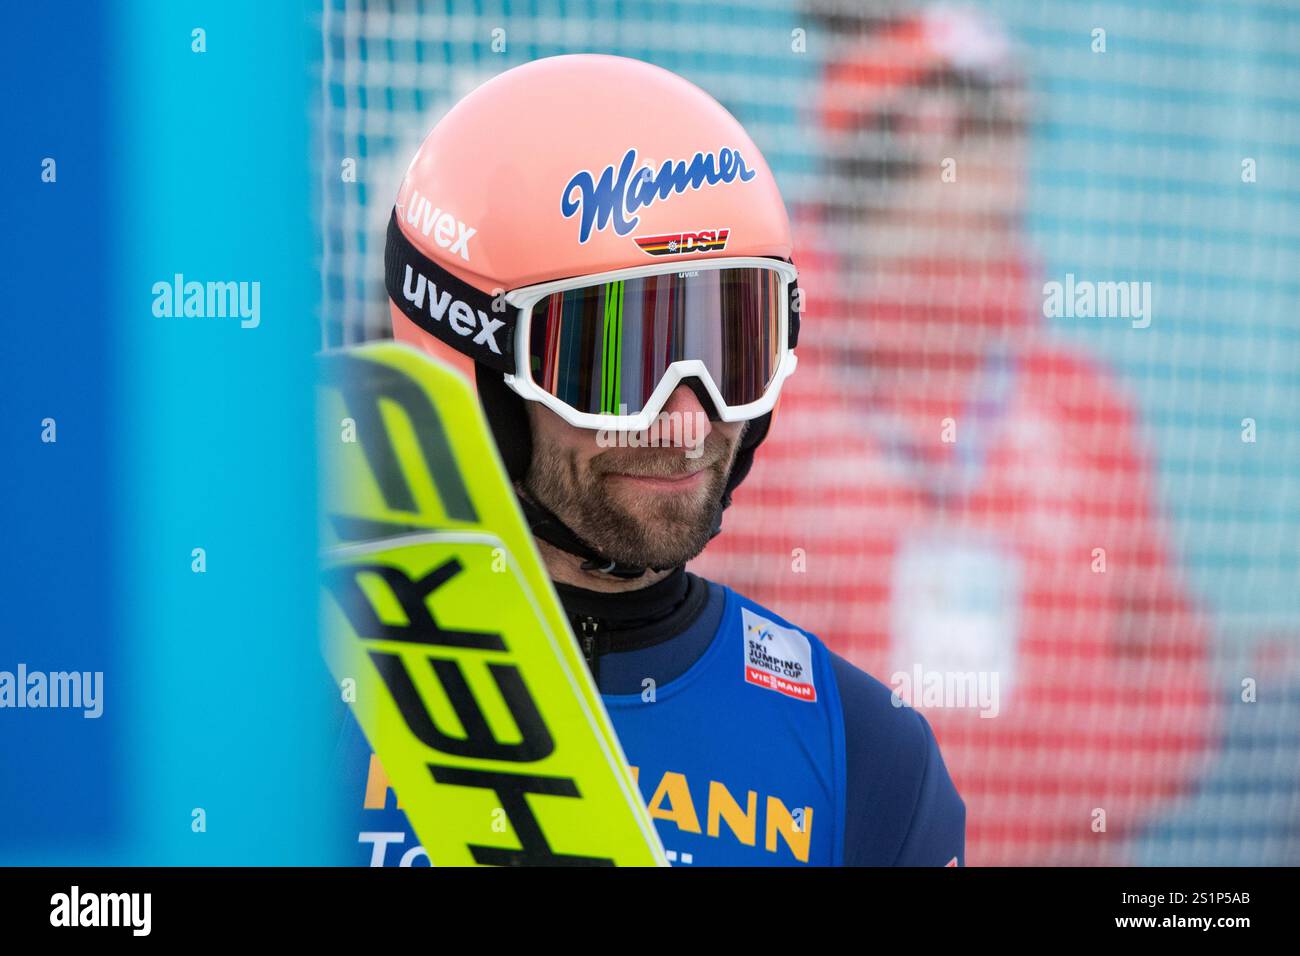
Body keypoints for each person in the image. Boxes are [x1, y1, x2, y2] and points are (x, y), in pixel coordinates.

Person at [338, 53, 965, 866]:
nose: (685, 418)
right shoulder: (268, 696)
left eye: (731, 344)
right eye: (617, 360)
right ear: (471, 362)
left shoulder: (872, 760)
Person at [693, 7, 1214, 864]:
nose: (1005, 181)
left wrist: (1053, 789)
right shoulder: (753, 396)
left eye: (1009, 138)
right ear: (890, 148)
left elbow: (1179, 675)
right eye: (977, 138)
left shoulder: (1081, 407)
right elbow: (676, 655)